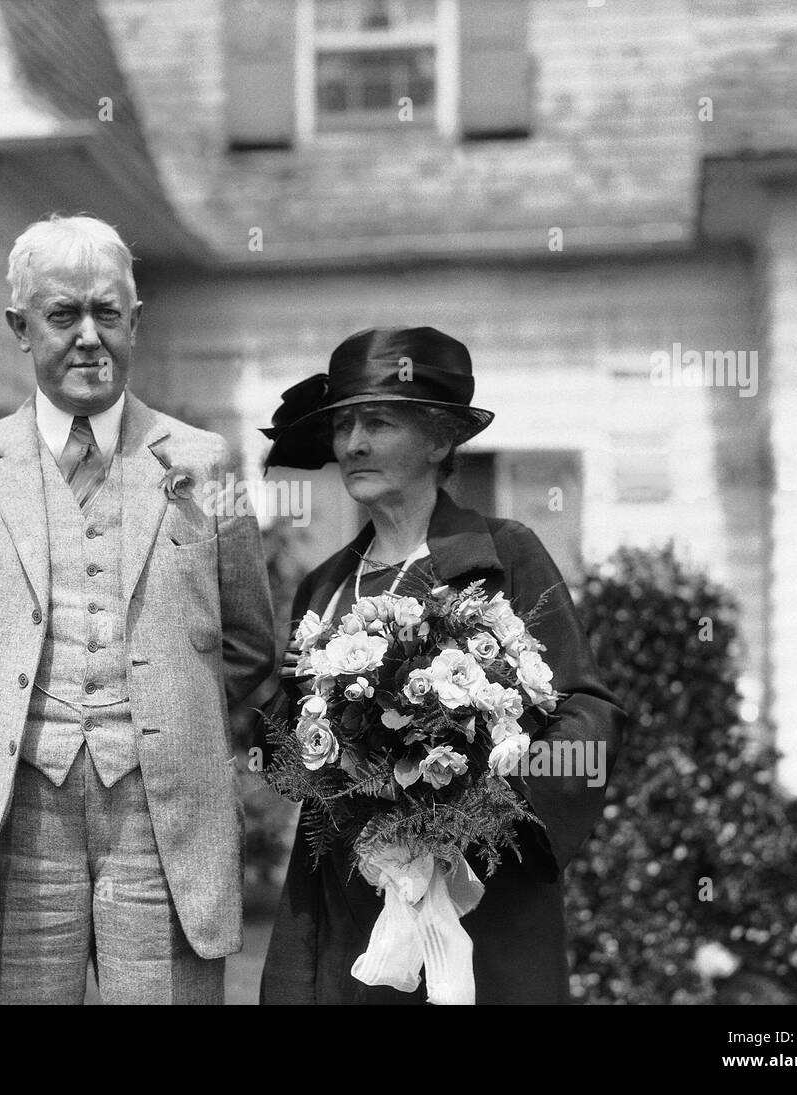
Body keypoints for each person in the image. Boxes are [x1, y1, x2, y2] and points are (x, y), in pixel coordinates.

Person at [0, 214, 275, 1004]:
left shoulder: (203, 463)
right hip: (8, 828)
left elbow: (250, 643)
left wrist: (166, 713)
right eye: (63, 315)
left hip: (164, 831)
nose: (90, 337)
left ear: (135, 320)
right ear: (20, 328)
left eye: (107, 313)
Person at [258, 326, 626, 1004]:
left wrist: (479, 805)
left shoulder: (506, 555)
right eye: (342, 425)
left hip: (484, 891)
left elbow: (587, 711)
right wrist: (291, 704)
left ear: (438, 439)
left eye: (377, 422)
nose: (352, 444)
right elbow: (285, 749)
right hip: (353, 899)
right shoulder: (324, 586)